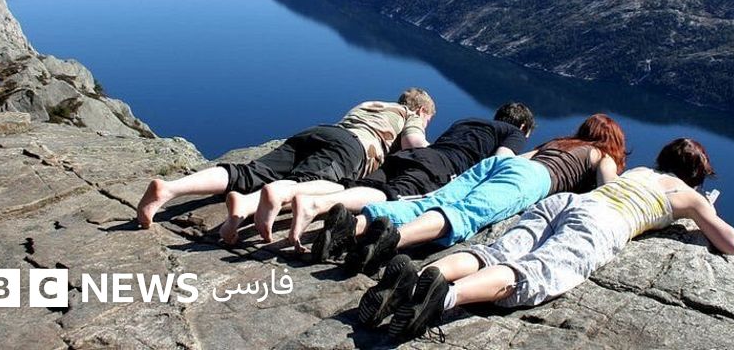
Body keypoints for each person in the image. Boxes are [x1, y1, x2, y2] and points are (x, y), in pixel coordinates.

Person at [364, 138, 734, 341]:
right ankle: (445, 297)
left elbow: (608, 187)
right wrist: (705, 208)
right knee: (534, 273)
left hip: (570, 202)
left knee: (494, 251)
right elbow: (731, 244)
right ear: (697, 174)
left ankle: (415, 280)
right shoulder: (688, 195)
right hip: (604, 223)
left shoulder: (642, 171)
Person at [326, 113, 626, 276]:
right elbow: (609, 188)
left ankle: (353, 227)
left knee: (435, 200)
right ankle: (391, 240)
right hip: (535, 179)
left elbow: (520, 159)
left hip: (500, 164)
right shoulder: (601, 154)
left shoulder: (562, 143)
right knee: (466, 213)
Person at [135, 88, 436, 235]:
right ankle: (245, 206)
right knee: (309, 185)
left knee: (251, 171)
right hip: (352, 148)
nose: (427, 122)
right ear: (422, 110)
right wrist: (431, 150)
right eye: (429, 118)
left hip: (320, 132)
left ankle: (170, 188)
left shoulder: (372, 103)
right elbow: (415, 144)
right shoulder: (410, 116)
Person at [271, 102, 536, 251]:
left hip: (416, 156)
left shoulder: (468, 121)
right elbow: (499, 162)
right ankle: (316, 205)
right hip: (441, 168)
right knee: (390, 195)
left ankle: (297, 196)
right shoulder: (511, 133)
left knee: (363, 185)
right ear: (523, 127)